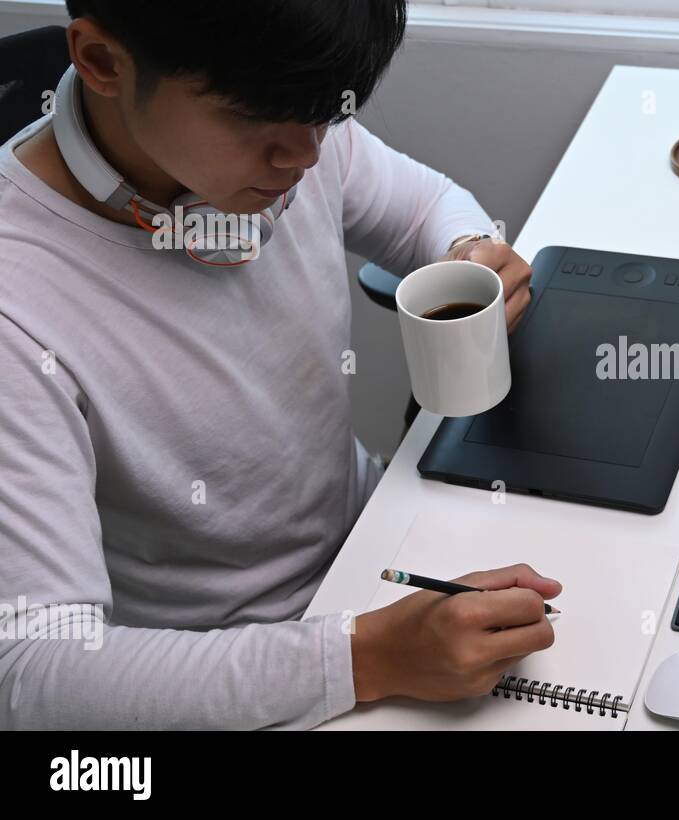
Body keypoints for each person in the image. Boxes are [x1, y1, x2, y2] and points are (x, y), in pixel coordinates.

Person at [0, 0, 559, 730]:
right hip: (223, 675)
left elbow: (427, 209)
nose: (308, 157)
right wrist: (365, 658)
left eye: (325, 113)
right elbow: (35, 677)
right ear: (103, 62)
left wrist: (468, 252)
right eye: (253, 119)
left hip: (377, 551)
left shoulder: (288, 130)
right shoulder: (18, 308)